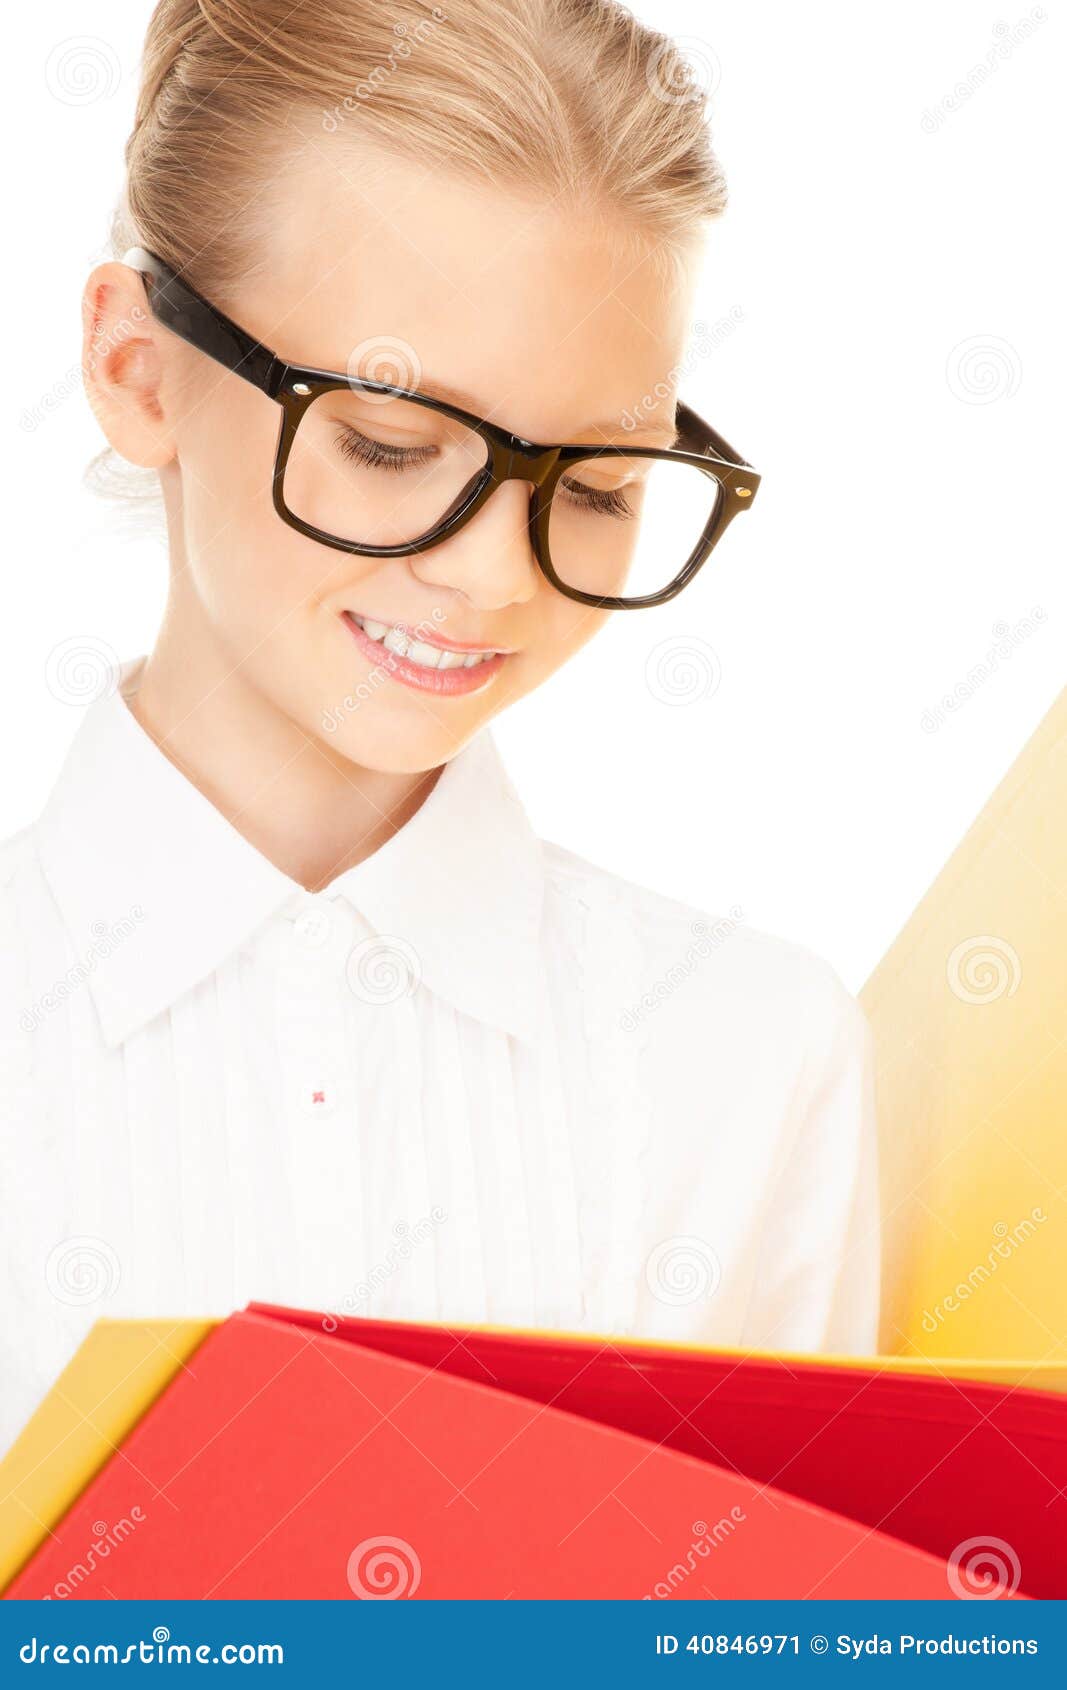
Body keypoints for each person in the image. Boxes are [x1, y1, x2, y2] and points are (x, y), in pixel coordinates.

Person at [0, 0, 878, 1449]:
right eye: (392, 444)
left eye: (598, 484)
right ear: (136, 367)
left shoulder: (757, 1059)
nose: (492, 575)